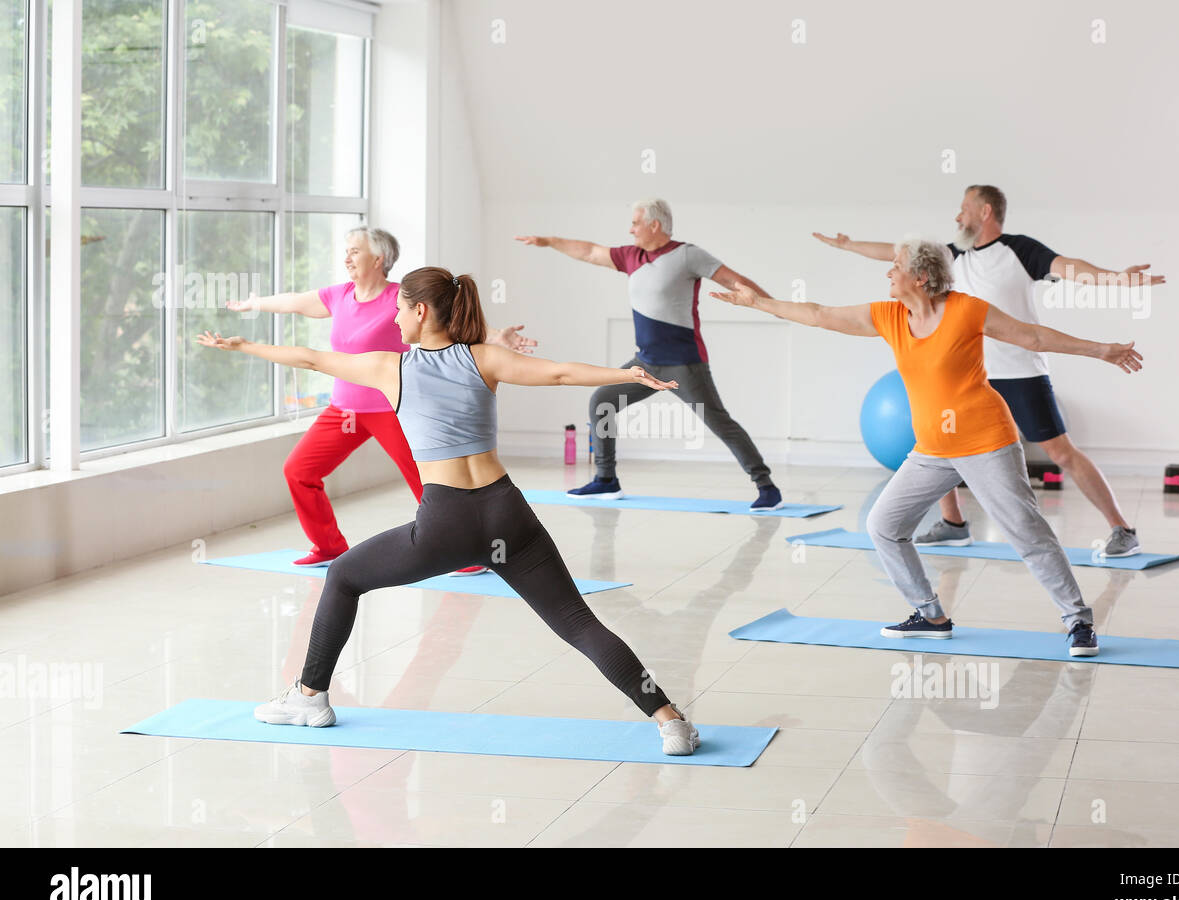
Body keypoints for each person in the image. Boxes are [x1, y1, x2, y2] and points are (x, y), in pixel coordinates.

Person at [199, 266, 700, 754]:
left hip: (446, 522)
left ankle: (310, 698)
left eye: (399, 310)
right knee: (577, 622)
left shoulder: (389, 366)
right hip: (508, 512)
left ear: (420, 311)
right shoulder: (485, 358)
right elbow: (561, 373)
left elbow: (309, 359)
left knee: (345, 576)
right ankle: (670, 721)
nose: (394, 319)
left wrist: (241, 346)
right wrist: (628, 374)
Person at [711, 237, 1145, 657]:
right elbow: (819, 313)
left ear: (920, 277)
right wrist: (758, 303)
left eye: (896, 267)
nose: (888, 272)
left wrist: (1101, 349)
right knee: (884, 524)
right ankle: (931, 615)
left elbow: (1032, 337)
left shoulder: (967, 311)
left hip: (985, 441)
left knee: (1026, 532)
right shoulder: (889, 316)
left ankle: (1078, 620)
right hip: (933, 450)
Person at [813, 185, 1164, 556]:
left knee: (1061, 453)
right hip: (966, 375)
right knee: (937, 444)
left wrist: (1116, 279)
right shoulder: (951, 255)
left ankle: (1122, 529)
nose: (957, 216)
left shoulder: (1020, 249)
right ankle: (953, 523)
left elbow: (1069, 268)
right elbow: (896, 253)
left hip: (1018, 371)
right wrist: (847, 245)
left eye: (964, 208)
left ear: (985, 212)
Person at [226, 226, 535, 574]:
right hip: (344, 409)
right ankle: (327, 545)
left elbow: (445, 321)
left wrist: (496, 336)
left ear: (379, 258)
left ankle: (461, 550)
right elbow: (294, 301)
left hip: (394, 408)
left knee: (430, 481)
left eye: (354, 251)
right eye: (346, 251)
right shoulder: (338, 295)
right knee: (299, 471)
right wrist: (254, 303)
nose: (346, 257)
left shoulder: (398, 298)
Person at [516, 198, 784, 511]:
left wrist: (774, 306)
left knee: (719, 423)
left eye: (635, 223)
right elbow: (589, 251)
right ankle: (606, 481)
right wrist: (549, 242)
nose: (630, 229)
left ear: (654, 225)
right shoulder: (631, 256)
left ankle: (767, 487)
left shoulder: (687, 255)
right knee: (602, 402)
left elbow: (733, 280)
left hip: (685, 363)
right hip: (645, 362)